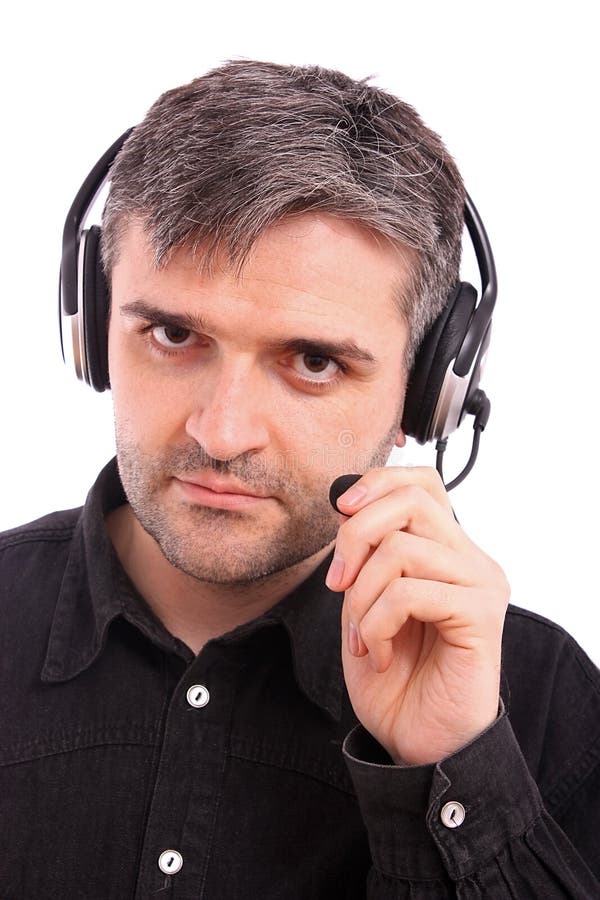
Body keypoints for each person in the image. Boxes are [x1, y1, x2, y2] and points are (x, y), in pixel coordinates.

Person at [1, 59, 599, 899]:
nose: (222, 431)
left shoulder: (541, 703)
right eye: (173, 335)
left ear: (428, 396)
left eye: (313, 361)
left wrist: (456, 772)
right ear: (94, 329)